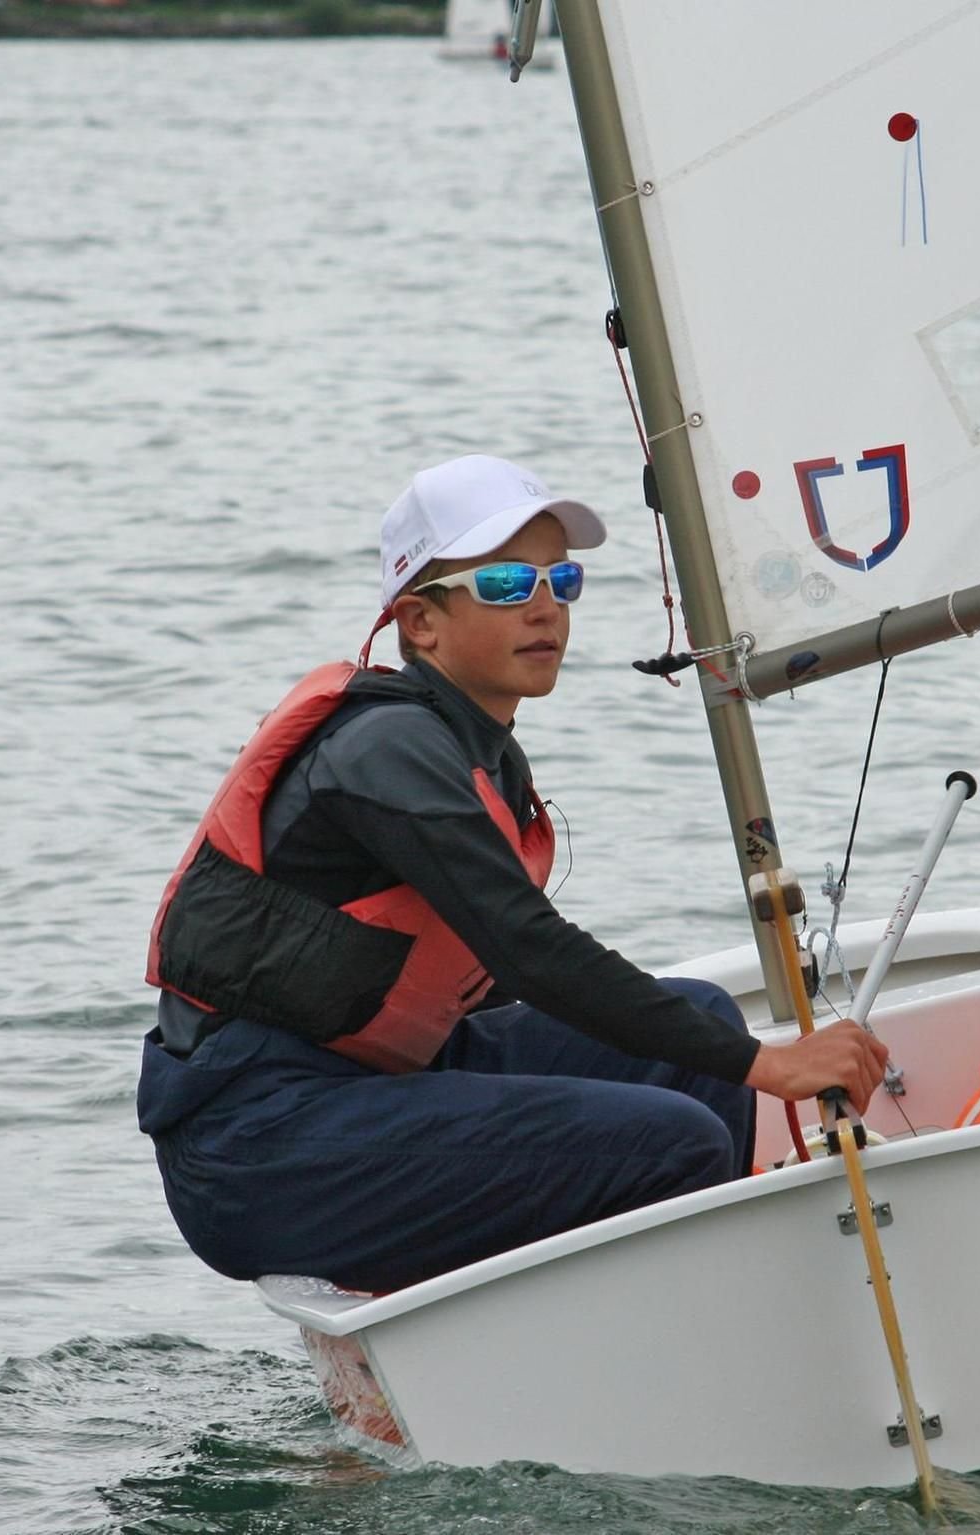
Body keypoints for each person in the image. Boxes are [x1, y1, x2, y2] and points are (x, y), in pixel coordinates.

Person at [137, 455, 888, 1293]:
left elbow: (469, 981)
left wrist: (726, 1053)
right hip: (259, 1141)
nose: (544, 607)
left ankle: (688, 1314)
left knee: (699, 1029)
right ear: (419, 622)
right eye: (502, 583)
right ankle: (630, 1352)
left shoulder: (476, 750)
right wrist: (770, 1064)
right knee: (673, 1134)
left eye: (561, 579)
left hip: (376, 1079)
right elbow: (532, 952)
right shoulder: (387, 750)